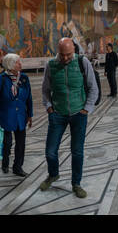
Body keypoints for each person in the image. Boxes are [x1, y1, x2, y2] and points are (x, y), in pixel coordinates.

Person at [40, 38, 99, 199]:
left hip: (78, 114)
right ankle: (53, 174)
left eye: (68, 54)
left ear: (74, 50)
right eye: (62, 54)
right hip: (57, 114)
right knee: (50, 151)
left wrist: (86, 109)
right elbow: (45, 89)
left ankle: (76, 183)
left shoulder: (82, 62)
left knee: (77, 152)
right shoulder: (51, 64)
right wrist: (49, 107)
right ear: (57, 51)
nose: (65, 58)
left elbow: (93, 87)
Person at [0, 53, 33, 177]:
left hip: (20, 117)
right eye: (18, 62)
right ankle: (5, 162)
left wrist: (30, 114)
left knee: (21, 144)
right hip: (5, 116)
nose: (20, 64)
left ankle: (18, 167)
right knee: (7, 143)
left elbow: (29, 97)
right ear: (11, 65)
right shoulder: (0, 79)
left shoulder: (24, 78)